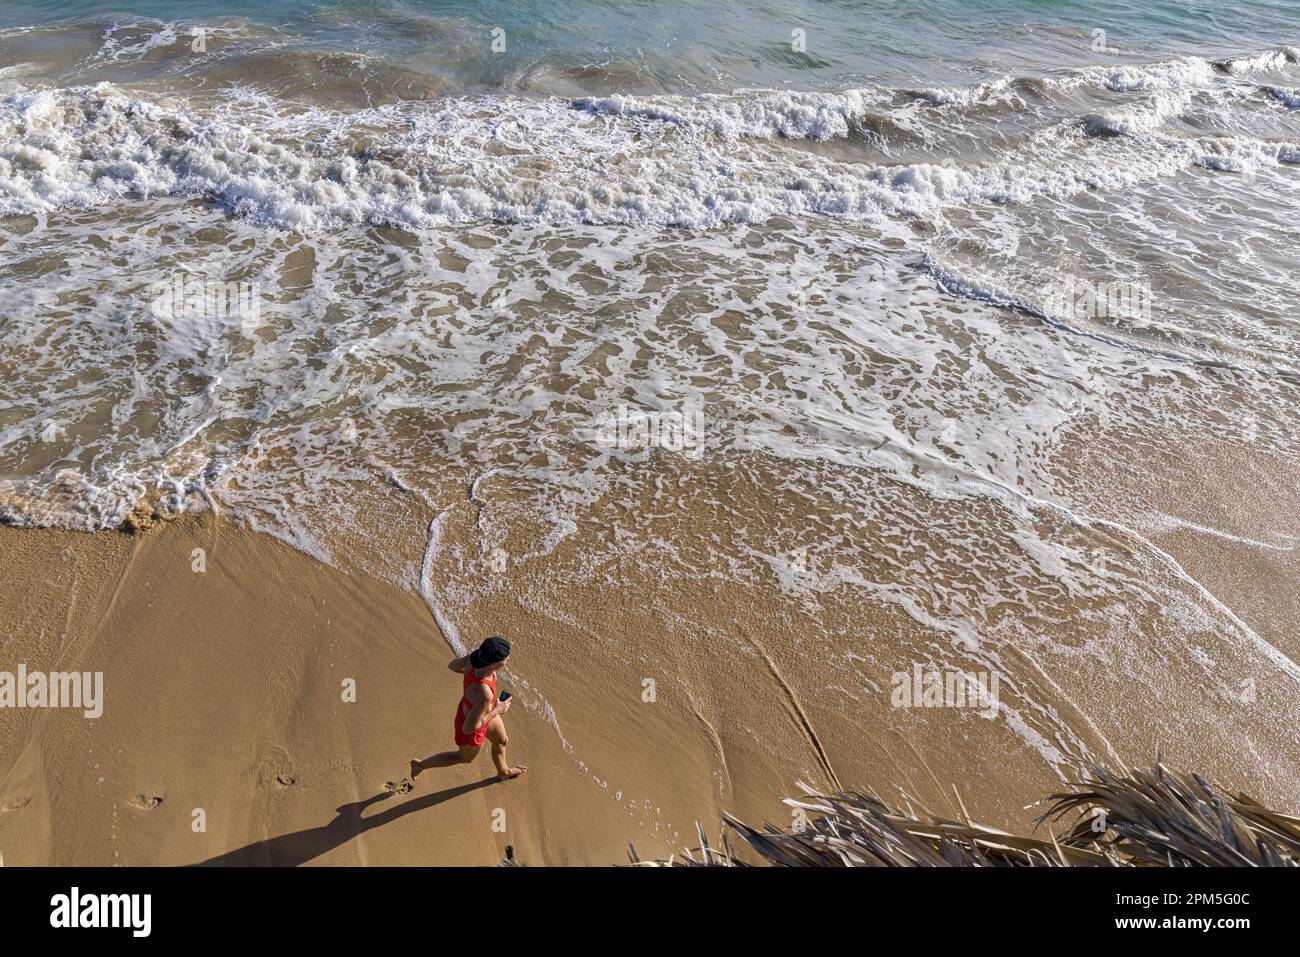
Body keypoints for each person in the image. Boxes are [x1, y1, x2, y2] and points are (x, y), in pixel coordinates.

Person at [410, 635, 526, 782]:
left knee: (502, 741)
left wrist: (467, 675)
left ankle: (503, 772)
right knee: (463, 758)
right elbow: (469, 728)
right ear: (495, 664)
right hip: (471, 723)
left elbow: (452, 665)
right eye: (505, 658)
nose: (508, 659)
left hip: (482, 711)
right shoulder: (484, 693)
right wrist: (498, 710)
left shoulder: (475, 658)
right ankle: (420, 765)